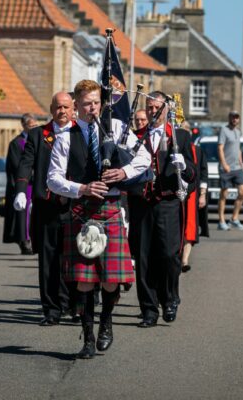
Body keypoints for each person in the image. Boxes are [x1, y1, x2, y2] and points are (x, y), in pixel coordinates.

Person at [47, 79, 151, 359]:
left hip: (111, 208)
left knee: (111, 280)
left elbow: (145, 157)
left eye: (96, 103)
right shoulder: (65, 137)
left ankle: (106, 322)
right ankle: (89, 339)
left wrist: (124, 172)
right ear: (75, 107)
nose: (91, 108)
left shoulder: (117, 129)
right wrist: (81, 188)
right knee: (84, 281)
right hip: (82, 211)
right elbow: (53, 179)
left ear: (101, 103)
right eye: (85, 104)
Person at [129, 93, 195, 327]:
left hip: (167, 204)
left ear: (166, 110)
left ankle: (170, 298)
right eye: (149, 107)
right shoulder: (134, 137)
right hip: (142, 205)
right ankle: (148, 309)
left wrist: (184, 167)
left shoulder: (181, 137)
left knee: (168, 255)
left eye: (157, 107)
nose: (153, 111)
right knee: (144, 258)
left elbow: (193, 176)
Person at [15, 94, 75, 325]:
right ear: (51, 109)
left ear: (73, 108)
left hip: (73, 206)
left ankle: (72, 304)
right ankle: (51, 310)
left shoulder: (82, 133)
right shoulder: (38, 135)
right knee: (48, 260)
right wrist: (21, 189)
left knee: (72, 257)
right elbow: (26, 162)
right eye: (57, 107)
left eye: (66, 107)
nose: (62, 111)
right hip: (47, 206)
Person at [3, 113, 39, 255]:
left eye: (36, 126)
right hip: (25, 183)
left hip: (37, 183)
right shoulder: (16, 144)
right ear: (24, 126)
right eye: (31, 126)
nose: (34, 128)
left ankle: (35, 240)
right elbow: (17, 165)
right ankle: (25, 241)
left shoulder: (38, 139)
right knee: (24, 214)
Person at [178, 121, 205, 272]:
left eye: (186, 129)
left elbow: (203, 173)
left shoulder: (198, 151)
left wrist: (203, 194)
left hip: (192, 194)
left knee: (189, 226)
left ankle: (185, 260)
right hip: (176, 194)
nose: (184, 132)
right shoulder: (172, 147)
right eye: (181, 129)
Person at [216, 110, 243, 231]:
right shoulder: (224, 130)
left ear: (239, 119)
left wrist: (241, 162)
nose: (235, 119)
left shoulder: (238, 132)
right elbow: (220, 148)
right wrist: (224, 164)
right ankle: (221, 221)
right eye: (233, 117)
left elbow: (237, 148)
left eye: (237, 117)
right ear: (229, 118)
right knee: (224, 194)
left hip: (237, 168)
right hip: (226, 168)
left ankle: (234, 218)